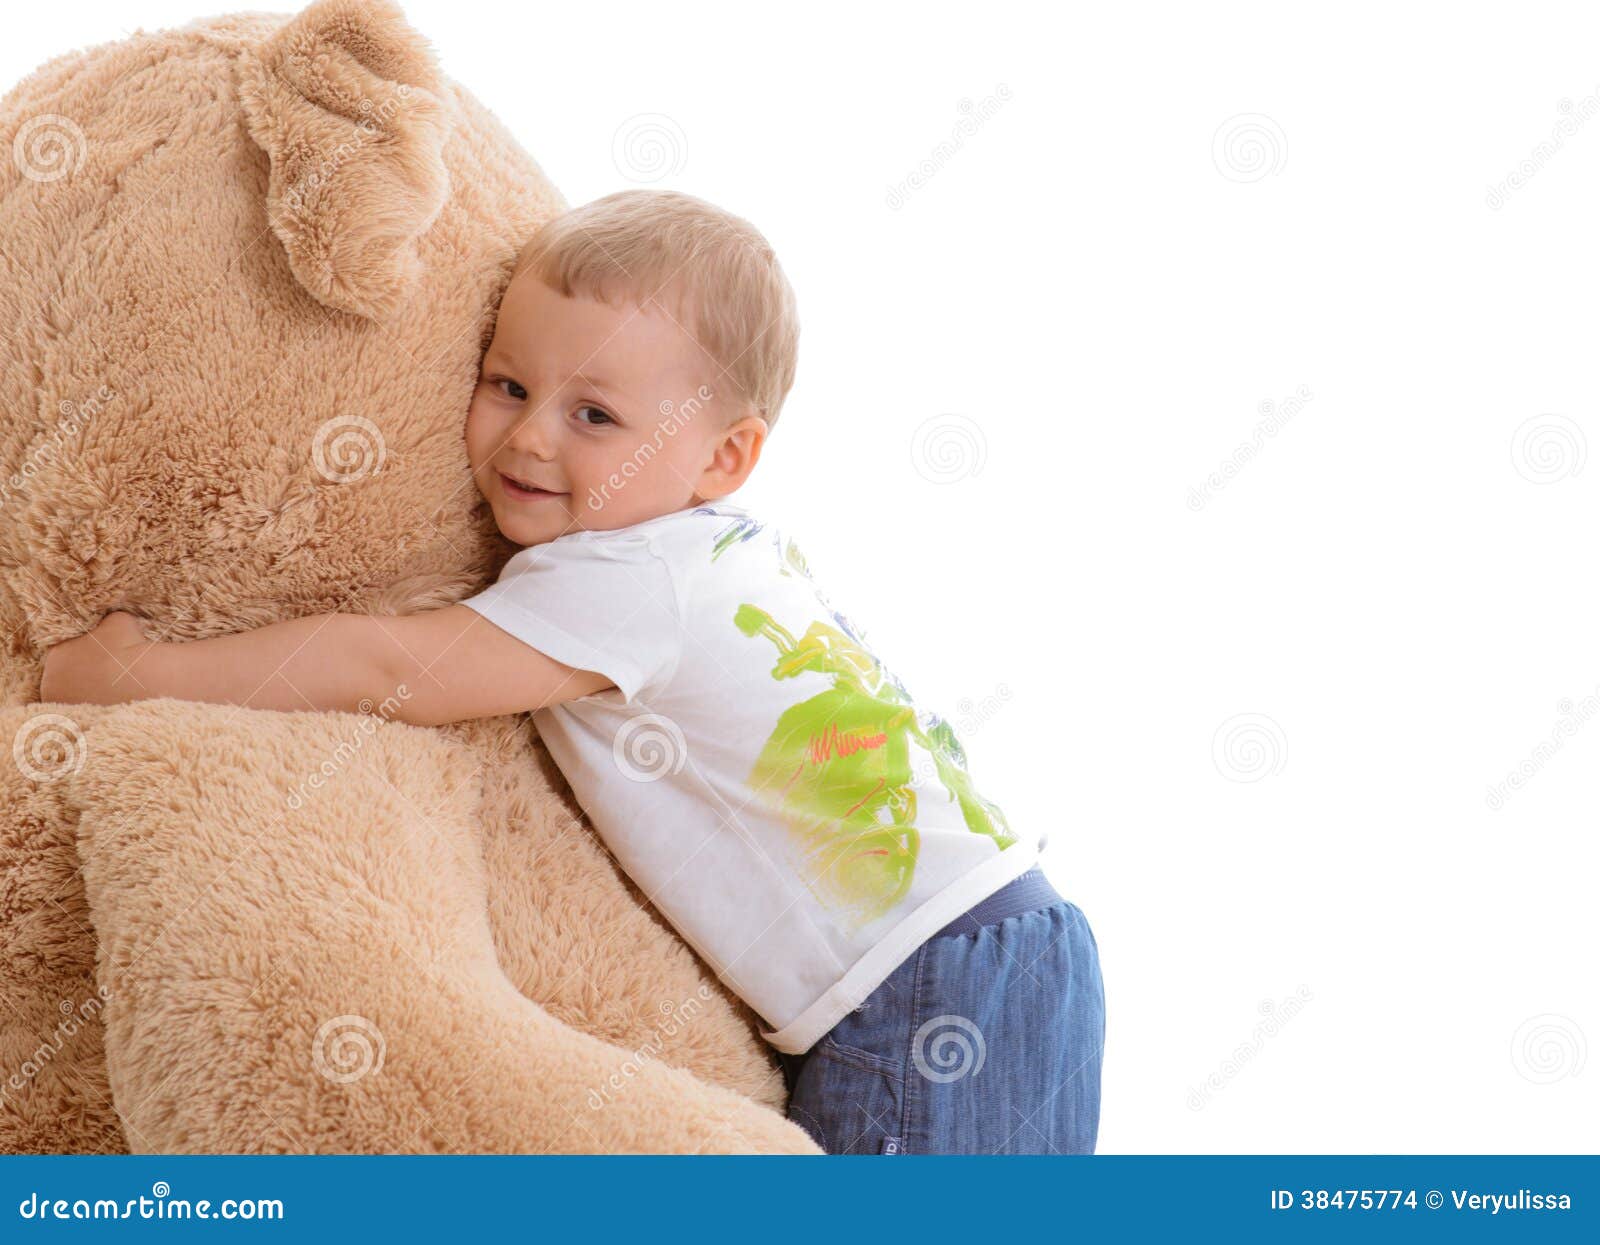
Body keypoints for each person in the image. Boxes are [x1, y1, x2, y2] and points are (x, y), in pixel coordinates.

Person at [40, 189, 1104, 1154]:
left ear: (722, 457)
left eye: (594, 415)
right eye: (507, 384)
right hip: (1005, 941)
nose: (529, 439)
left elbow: (387, 665)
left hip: (928, 986)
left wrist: (139, 674)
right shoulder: (718, 552)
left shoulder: (626, 581)